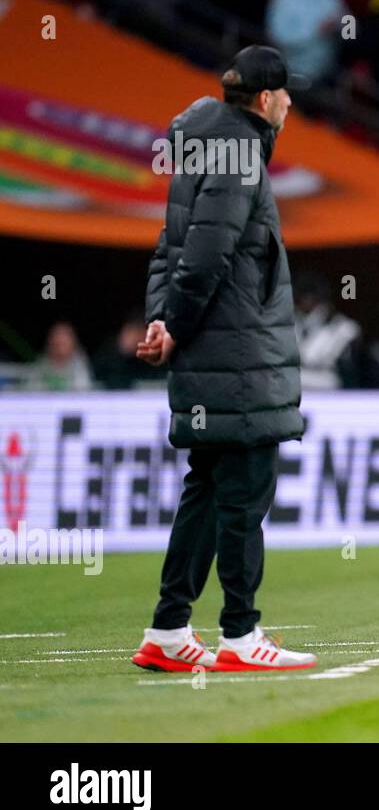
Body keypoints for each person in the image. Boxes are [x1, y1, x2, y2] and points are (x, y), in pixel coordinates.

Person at [131, 45, 317, 673]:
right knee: (243, 497)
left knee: (207, 492)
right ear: (265, 101)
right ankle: (240, 635)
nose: (291, 103)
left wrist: (163, 321)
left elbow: (172, 249)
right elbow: (205, 259)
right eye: (287, 93)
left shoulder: (204, 154)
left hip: (214, 356)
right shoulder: (239, 160)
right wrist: (176, 327)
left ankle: (168, 628)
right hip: (236, 358)